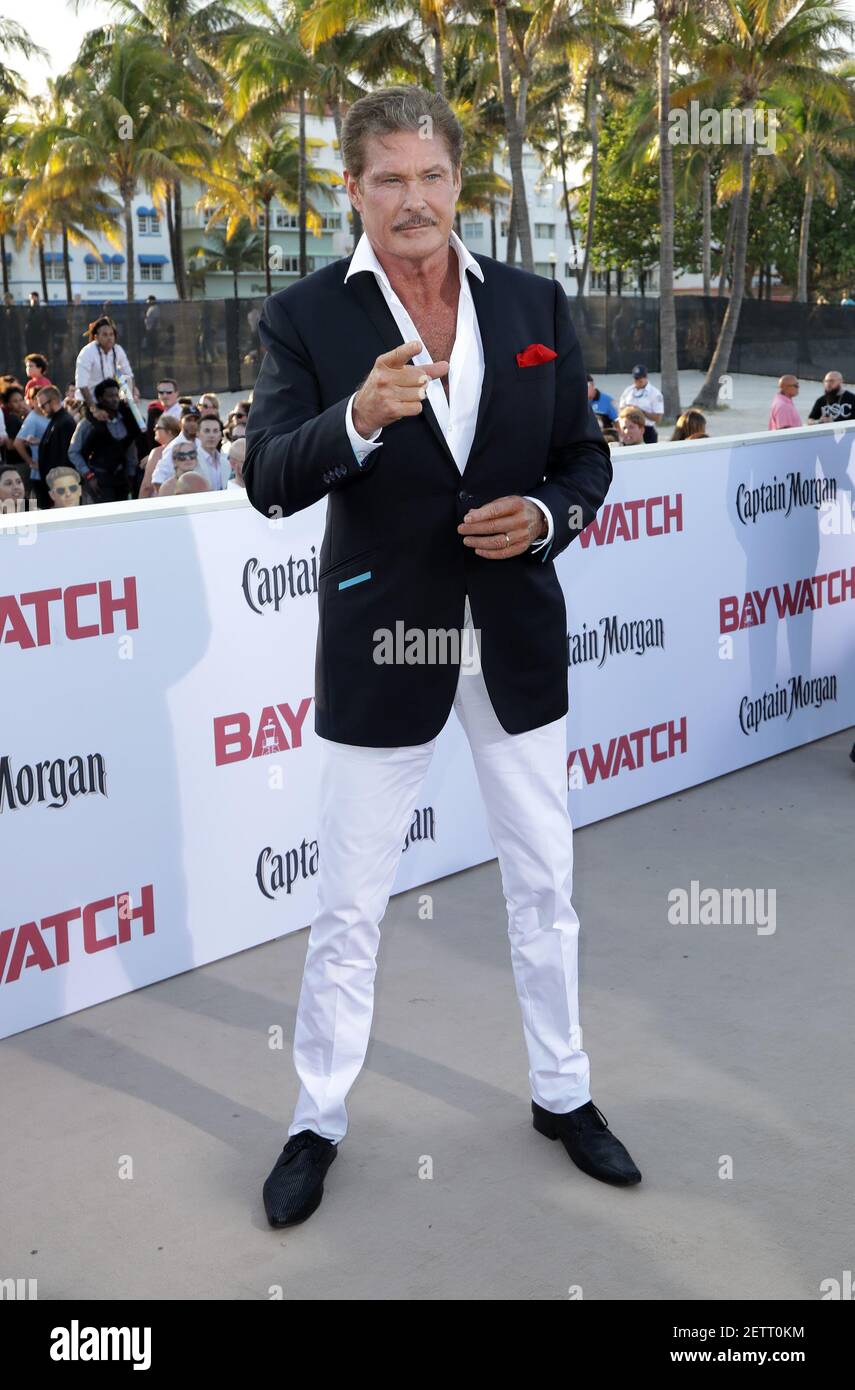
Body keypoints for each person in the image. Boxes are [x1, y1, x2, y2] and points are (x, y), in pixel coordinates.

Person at [245, 84, 638, 1230]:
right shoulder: (304, 319)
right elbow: (270, 476)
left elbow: (584, 459)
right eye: (387, 179)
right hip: (387, 639)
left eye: (430, 176)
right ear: (353, 187)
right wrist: (358, 419)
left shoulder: (532, 299)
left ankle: (563, 1094)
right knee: (352, 904)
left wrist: (549, 517)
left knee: (546, 886)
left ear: (459, 181)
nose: (411, 200)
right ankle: (317, 1117)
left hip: (511, 634)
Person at [68, 376, 143, 503]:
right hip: (99, 478)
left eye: (116, 395)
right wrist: (89, 476)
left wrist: (130, 475)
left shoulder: (126, 419)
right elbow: (73, 452)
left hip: (121, 477)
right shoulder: (89, 423)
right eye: (109, 396)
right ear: (100, 399)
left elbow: (130, 447)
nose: (114, 400)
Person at [74, 316, 140, 415]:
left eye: (111, 334)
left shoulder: (118, 350)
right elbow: (82, 385)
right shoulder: (87, 353)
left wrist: (129, 396)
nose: (109, 338)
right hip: (89, 402)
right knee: (98, 428)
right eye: (105, 335)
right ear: (96, 337)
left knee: (133, 422)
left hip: (111, 400)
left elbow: (128, 375)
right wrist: (94, 409)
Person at [151, 405, 202, 490]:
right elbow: (158, 479)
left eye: (196, 420)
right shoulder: (173, 446)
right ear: (180, 422)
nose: (193, 424)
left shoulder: (201, 442)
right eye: (188, 420)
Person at [36, 385, 77, 486]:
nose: (41, 409)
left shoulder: (65, 422)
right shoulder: (56, 420)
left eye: (42, 406)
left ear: (53, 401)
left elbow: (65, 457)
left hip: (62, 485)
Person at [139, 414, 180, 498]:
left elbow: (147, 486)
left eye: (157, 427)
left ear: (169, 431)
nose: (154, 429)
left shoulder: (157, 452)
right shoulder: (185, 449)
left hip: (158, 502)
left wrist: (139, 504)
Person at [619, 365, 663, 443]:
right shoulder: (628, 391)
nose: (637, 381)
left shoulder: (655, 393)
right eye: (636, 378)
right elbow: (621, 410)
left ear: (646, 377)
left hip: (647, 429)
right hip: (629, 429)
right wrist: (629, 411)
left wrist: (640, 412)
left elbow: (658, 418)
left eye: (640, 378)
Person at [194, 415, 230, 489]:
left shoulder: (226, 461)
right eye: (207, 431)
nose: (211, 435)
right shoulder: (192, 460)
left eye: (215, 431)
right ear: (198, 433)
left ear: (220, 435)